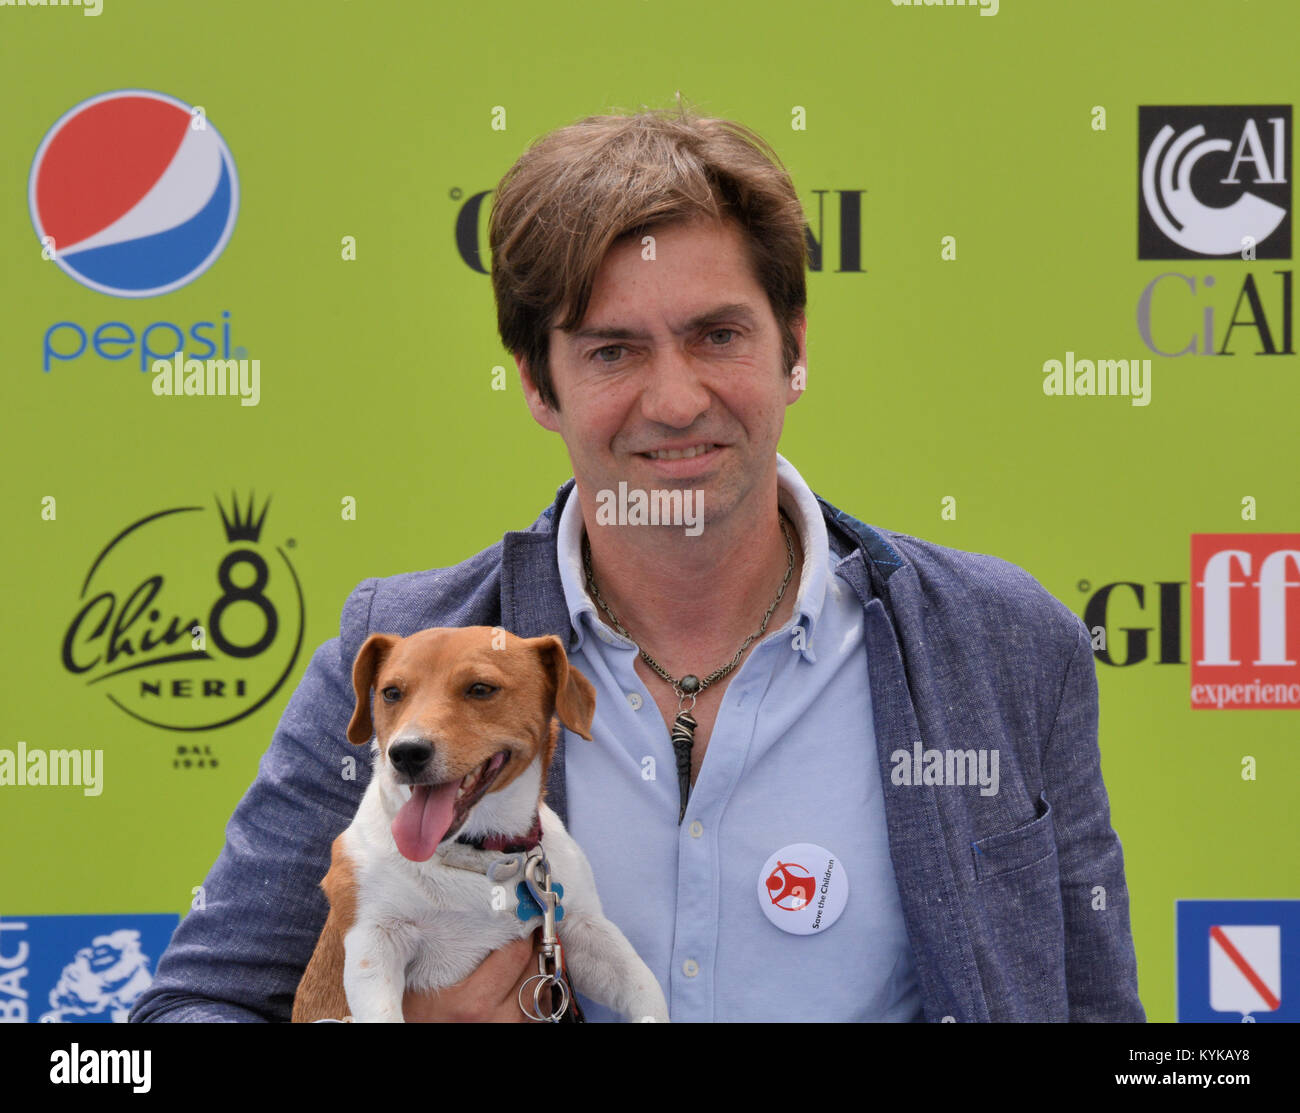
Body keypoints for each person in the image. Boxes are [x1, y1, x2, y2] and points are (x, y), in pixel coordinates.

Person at [130, 99, 1144, 1023]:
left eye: (717, 336)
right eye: (612, 351)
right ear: (537, 384)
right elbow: (195, 1011)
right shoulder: (397, 664)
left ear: (792, 346)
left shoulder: (1000, 645)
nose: (673, 399)